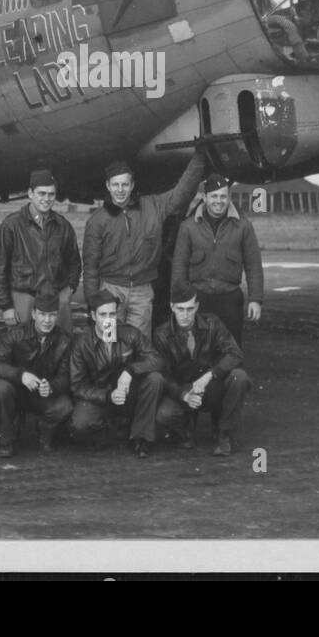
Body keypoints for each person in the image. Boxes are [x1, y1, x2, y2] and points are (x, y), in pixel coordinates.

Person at [83, 149, 206, 335]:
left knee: (139, 344)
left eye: (125, 184)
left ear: (132, 185)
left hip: (142, 292)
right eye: (115, 185)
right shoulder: (97, 221)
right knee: (108, 344)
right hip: (109, 292)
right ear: (108, 186)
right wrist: (93, 302)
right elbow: (90, 266)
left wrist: (200, 157)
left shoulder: (153, 206)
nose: (120, 190)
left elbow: (182, 192)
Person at [68, 289, 185, 458]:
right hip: (102, 396)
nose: (109, 319)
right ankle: (107, 433)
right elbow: (77, 385)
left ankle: (141, 438)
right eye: (103, 314)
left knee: (155, 379)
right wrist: (108, 395)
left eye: (112, 314)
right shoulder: (82, 343)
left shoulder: (129, 333)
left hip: (130, 392)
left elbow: (157, 360)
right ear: (93, 316)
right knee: (80, 423)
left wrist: (130, 371)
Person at [153, 287, 251, 457]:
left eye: (190, 309)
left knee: (239, 377)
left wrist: (210, 375)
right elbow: (164, 375)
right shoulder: (161, 334)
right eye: (180, 309)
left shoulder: (212, 323)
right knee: (164, 414)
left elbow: (235, 354)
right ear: (172, 307)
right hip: (183, 389)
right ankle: (184, 433)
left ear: (197, 307)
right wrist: (184, 395)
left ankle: (223, 433)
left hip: (211, 385)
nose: (185, 315)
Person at [171, 172, 264, 346]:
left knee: (231, 348)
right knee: (198, 349)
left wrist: (255, 299)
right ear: (205, 198)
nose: (219, 201)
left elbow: (254, 265)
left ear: (229, 198)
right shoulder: (188, 227)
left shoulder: (243, 226)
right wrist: (178, 299)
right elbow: (179, 265)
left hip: (229, 298)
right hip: (198, 298)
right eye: (214, 196)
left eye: (223, 196)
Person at [0, 168, 81, 334]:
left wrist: (69, 291)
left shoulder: (63, 225)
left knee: (61, 347)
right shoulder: (11, 225)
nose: (46, 199)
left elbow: (74, 261)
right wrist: (6, 306)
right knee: (22, 349)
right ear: (30, 193)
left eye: (51, 194)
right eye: (41, 193)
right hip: (24, 297)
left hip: (56, 297)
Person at [0, 289, 74, 456]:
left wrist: (52, 386)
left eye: (52, 315)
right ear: (33, 314)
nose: (47, 320)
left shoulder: (64, 340)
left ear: (57, 316)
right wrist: (21, 375)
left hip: (43, 394)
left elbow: (66, 376)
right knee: (0, 389)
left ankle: (44, 431)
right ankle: (6, 438)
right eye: (42, 314)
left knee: (65, 406)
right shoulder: (15, 334)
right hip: (16, 389)